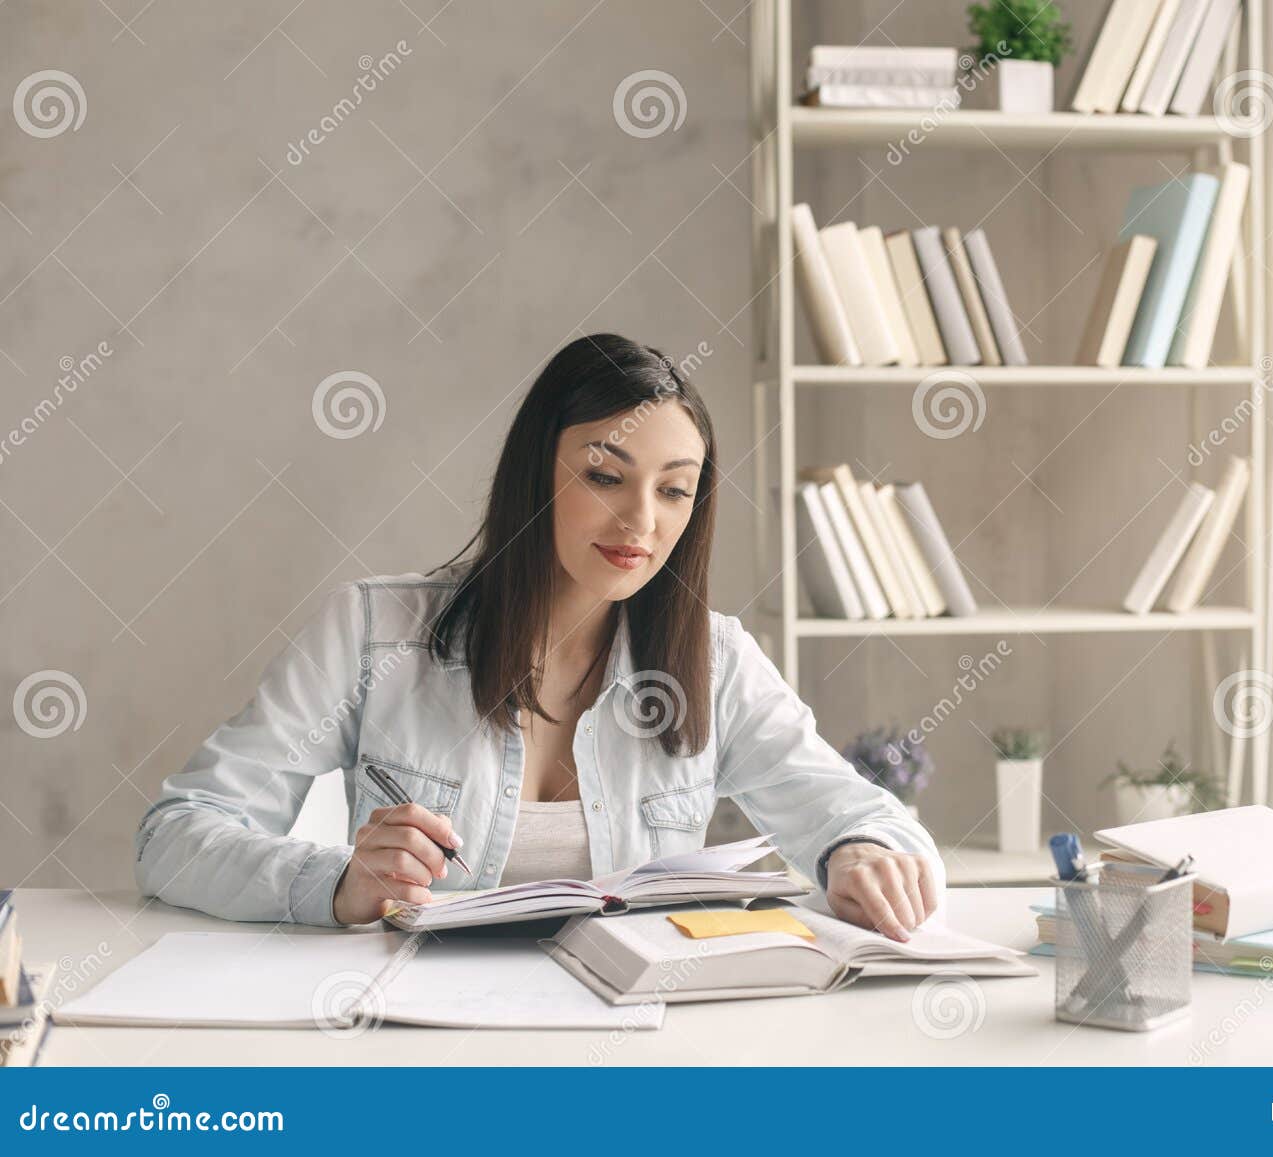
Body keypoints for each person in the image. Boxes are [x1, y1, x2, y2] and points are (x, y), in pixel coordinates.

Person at [135, 333, 944, 940]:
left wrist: (858, 851)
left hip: (634, 1047)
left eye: (675, 491)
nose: (641, 521)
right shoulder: (374, 633)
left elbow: (875, 822)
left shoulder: (715, 656)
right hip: (412, 1042)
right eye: (604, 475)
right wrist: (338, 880)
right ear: (538, 472)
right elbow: (175, 837)